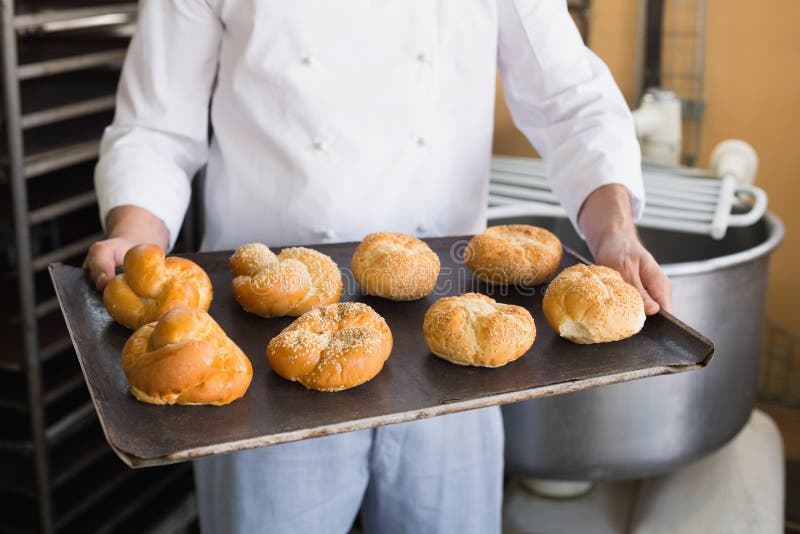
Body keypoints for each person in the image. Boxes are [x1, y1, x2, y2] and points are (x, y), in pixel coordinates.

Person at [83, 1, 672, 533]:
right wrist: (135, 240)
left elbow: (570, 100)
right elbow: (156, 125)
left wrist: (615, 232)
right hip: (262, 366)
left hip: (454, 356)